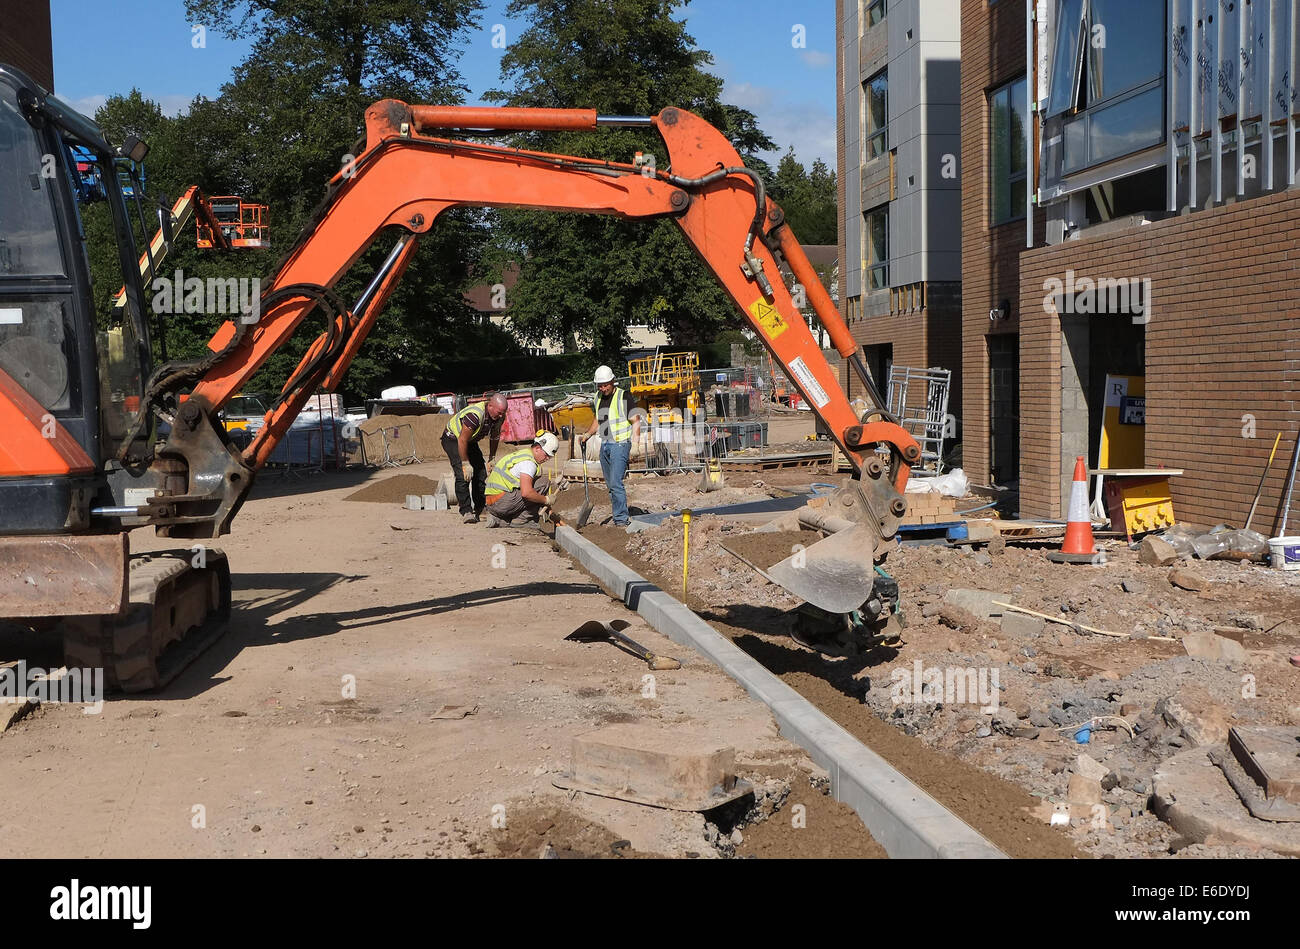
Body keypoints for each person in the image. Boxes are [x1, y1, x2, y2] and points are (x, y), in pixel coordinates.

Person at [579, 365, 641, 527]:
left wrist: (635, 444)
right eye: (600, 385)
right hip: (605, 444)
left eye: (605, 384)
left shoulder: (623, 396)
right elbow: (598, 420)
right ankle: (618, 514)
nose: (603, 388)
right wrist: (588, 434)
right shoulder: (597, 397)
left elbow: (635, 420)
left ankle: (621, 519)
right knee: (610, 484)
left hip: (620, 444)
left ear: (613, 381)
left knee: (615, 482)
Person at [441, 392, 508, 523]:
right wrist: (465, 463)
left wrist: (492, 457)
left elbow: (495, 436)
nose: (501, 415)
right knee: (463, 474)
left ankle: (480, 508)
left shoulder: (499, 417)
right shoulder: (474, 415)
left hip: (469, 440)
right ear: (490, 406)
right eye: (499, 412)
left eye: (503, 413)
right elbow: (462, 440)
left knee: (481, 472)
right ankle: (466, 511)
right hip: (453, 439)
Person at [483, 431, 558, 527]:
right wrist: (546, 500)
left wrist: (554, 483)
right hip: (500, 502)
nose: (547, 459)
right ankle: (522, 520)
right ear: (537, 448)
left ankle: (500, 519)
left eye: (550, 457)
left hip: (492, 502)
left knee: (537, 486)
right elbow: (527, 493)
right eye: (546, 455)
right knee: (543, 483)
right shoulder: (529, 463)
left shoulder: (524, 454)